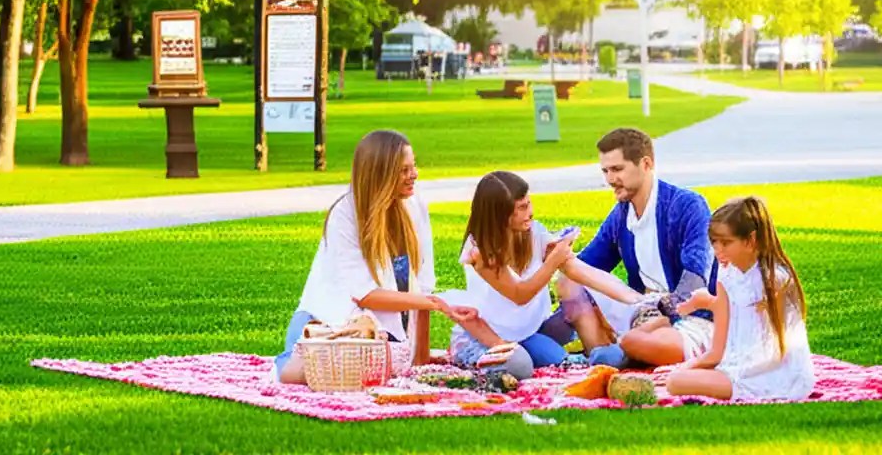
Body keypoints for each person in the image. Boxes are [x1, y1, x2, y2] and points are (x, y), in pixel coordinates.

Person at [274, 130, 478, 384]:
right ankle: (287, 360)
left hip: (375, 333)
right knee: (302, 375)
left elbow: (422, 287)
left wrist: (421, 358)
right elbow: (366, 294)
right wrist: (437, 304)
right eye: (404, 170)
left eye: (413, 166)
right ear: (381, 174)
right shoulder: (345, 215)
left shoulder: (414, 206)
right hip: (327, 320)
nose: (414, 175)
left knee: (371, 373)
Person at [448, 171, 642, 379]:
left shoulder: (531, 233)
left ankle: (602, 352)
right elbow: (519, 295)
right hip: (490, 337)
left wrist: (636, 300)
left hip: (530, 331)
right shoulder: (479, 252)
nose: (530, 212)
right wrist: (553, 261)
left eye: (529, 203)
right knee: (522, 366)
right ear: (500, 214)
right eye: (522, 208)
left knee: (573, 294)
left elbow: (577, 269)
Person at [551, 127, 715, 368]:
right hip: (639, 309)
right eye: (605, 171)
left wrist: (663, 313)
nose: (609, 179)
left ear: (646, 164)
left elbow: (696, 279)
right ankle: (603, 357)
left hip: (687, 316)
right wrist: (558, 256)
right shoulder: (621, 215)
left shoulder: (687, 206)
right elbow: (586, 266)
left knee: (647, 343)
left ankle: (624, 354)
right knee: (568, 282)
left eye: (617, 169)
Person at [663, 196, 814, 401]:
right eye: (714, 243)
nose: (717, 251)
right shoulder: (726, 276)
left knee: (677, 383)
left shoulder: (774, 281)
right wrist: (686, 368)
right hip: (734, 367)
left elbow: (776, 352)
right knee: (676, 379)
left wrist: (729, 373)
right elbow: (717, 351)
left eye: (726, 243)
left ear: (750, 241)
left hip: (772, 375)